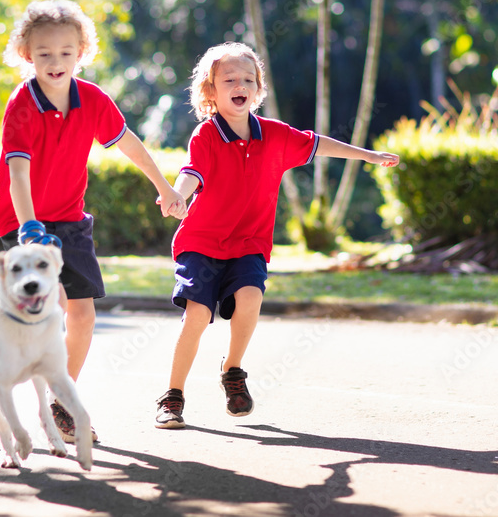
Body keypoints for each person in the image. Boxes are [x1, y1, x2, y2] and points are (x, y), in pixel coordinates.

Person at [154, 41, 399, 429]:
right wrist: (177, 196)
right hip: (201, 242)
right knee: (197, 316)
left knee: (250, 297)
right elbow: (192, 172)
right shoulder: (206, 136)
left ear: (258, 88)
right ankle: (173, 396)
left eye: (248, 79)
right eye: (229, 78)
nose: (240, 84)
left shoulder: (274, 135)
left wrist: (368, 155)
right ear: (210, 90)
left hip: (248, 243)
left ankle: (232, 370)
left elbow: (319, 144)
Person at [0, 0, 187, 442]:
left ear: (81, 52)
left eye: (65, 53)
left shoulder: (92, 100)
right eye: (44, 54)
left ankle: (61, 403)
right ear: (26, 54)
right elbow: (18, 172)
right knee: (43, 305)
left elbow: (128, 143)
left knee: (83, 315)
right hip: (21, 219)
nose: (55, 62)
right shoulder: (22, 104)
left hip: (70, 220)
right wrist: (29, 227)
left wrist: (165, 187)